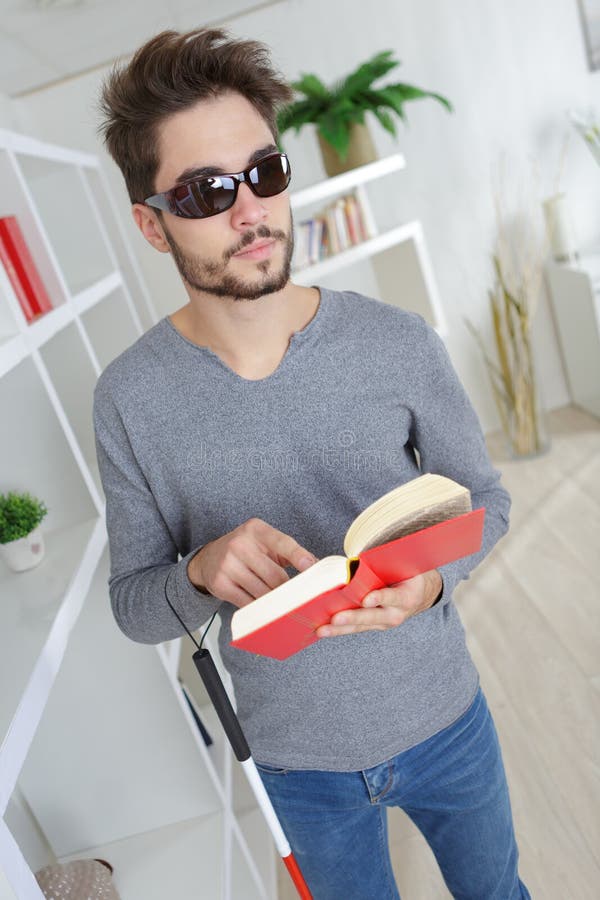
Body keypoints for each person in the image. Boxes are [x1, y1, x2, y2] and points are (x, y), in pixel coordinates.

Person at [94, 27, 531, 899]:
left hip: (446, 715)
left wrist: (433, 586)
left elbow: (485, 499)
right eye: (207, 191)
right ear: (152, 224)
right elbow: (135, 606)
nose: (251, 209)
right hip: (296, 767)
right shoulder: (128, 400)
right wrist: (203, 570)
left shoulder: (397, 342)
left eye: (265, 172)